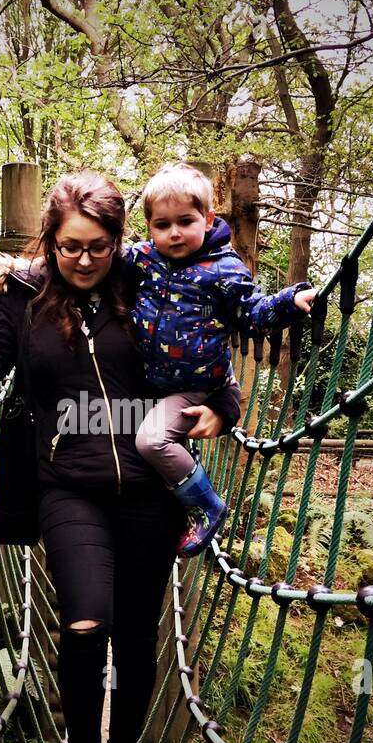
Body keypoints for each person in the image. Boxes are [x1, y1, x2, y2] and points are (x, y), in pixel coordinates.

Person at [0, 172, 242, 743]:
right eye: (71, 246)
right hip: (65, 485)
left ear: (117, 242)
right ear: (51, 239)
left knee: (136, 636)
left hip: (148, 495)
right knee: (85, 620)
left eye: (98, 247)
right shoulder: (26, 298)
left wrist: (223, 407)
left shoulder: (147, 282)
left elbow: (204, 342)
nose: (83, 260)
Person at [124, 162, 316, 555]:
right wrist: (26, 270)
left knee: (152, 440)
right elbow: (91, 264)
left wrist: (290, 302)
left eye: (185, 221)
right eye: (162, 225)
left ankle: (206, 505)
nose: (174, 232)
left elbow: (254, 312)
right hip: (150, 382)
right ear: (149, 228)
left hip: (197, 386)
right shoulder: (143, 259)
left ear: (208, 219)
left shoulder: (224, 270)